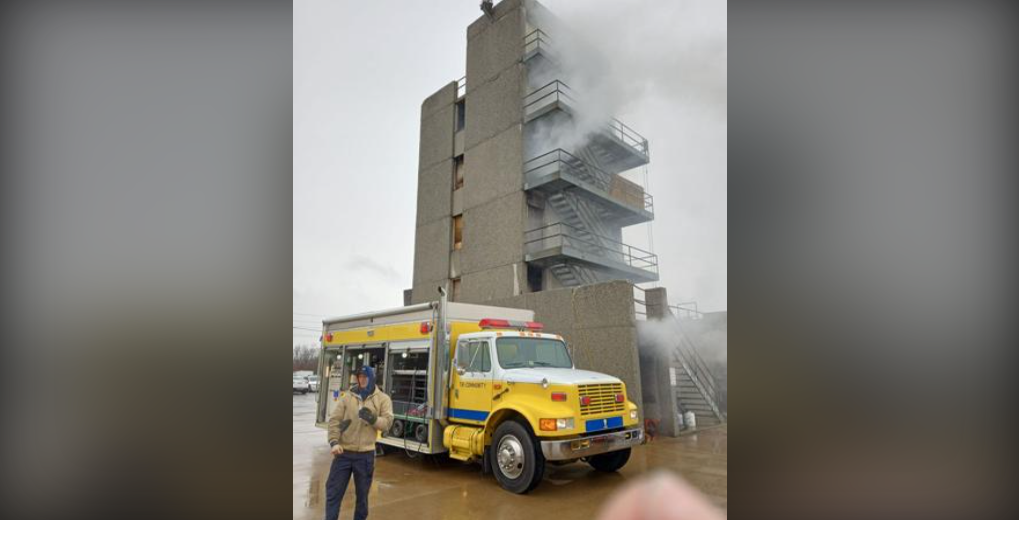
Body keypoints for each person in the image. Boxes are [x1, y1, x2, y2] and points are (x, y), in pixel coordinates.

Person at [324, 366, 393, 520]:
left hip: (365, 456)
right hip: (343, 453)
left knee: (362, 498)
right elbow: (335, 421)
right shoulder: (347, 397)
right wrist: (334, 442)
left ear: (372, 377)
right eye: (359, 376)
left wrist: (374, 419)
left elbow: (387, 423)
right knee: (333, 492)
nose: (361, 379)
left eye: (365, 376)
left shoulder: (383, 399)